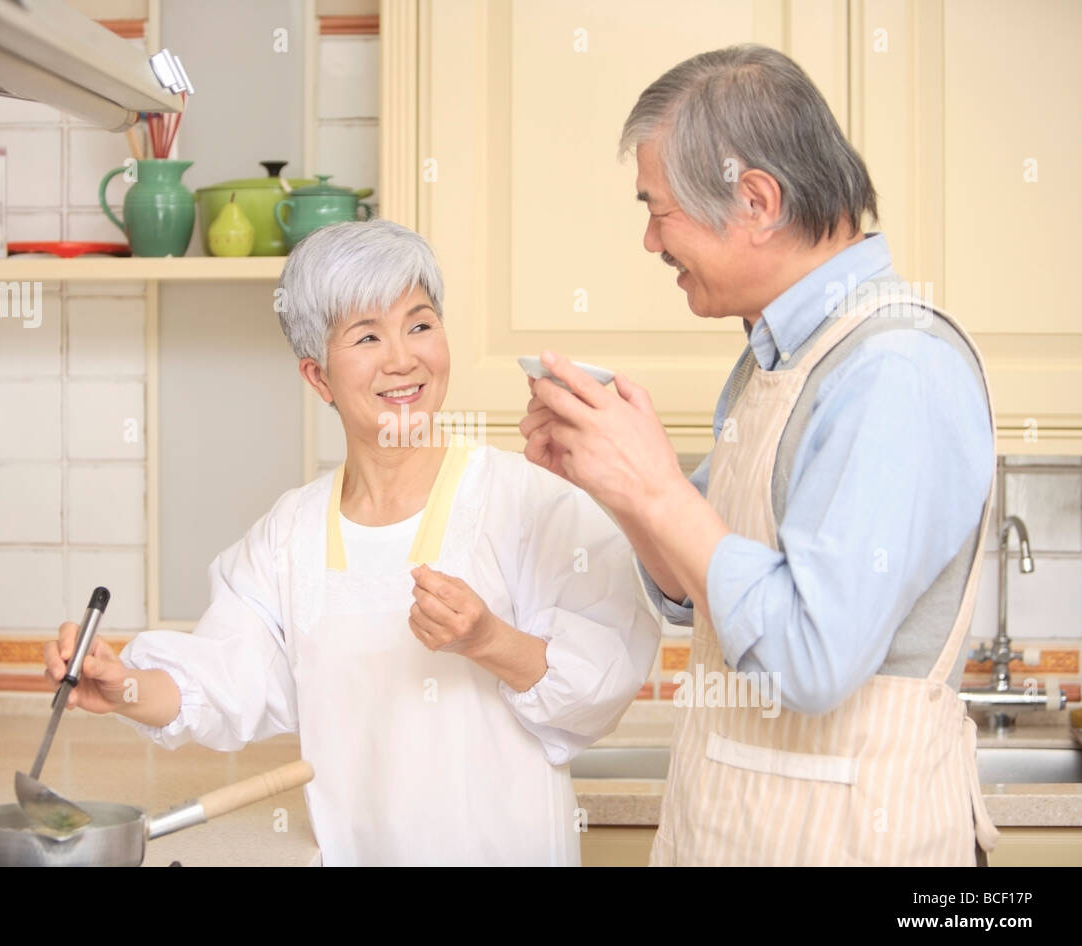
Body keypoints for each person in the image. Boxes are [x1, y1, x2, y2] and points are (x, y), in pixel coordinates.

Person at [44, 218, 659, 866]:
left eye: (420, 324)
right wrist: (124, 688)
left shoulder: (530, 500)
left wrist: (487, 640)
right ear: (318, 378)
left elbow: (600, 685)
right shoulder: (291, 536)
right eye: (367, 336)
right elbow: (226, 683)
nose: (403, 359)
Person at [520, 44, 998, 865]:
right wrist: (621, 487)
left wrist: (660, 490)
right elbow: (689, 588)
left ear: (756, 199)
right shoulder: (776, 355)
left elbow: (811, 658)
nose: (648, 240)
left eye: (658, 210)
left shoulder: (896, 369)